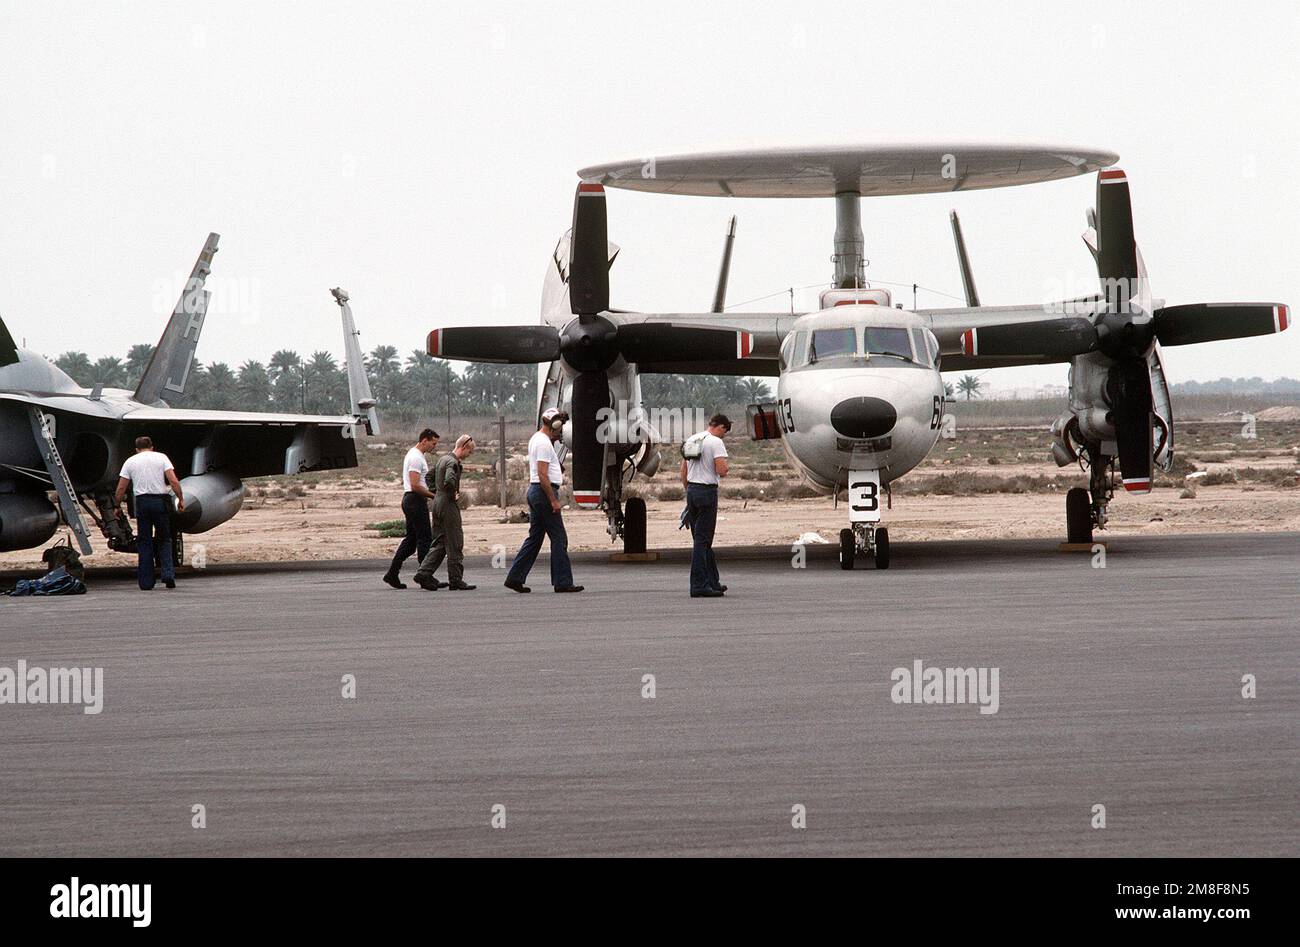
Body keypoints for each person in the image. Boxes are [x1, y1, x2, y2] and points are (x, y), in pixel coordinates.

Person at [504, 408, 583, 594]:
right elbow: (542, 474)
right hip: (543, 492)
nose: (561, 431)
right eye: (560, 426)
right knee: (559, 538)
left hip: (537, 492)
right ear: (554, 425)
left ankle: (515, 578)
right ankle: (562, 582)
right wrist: (553, 500)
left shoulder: (539, 440)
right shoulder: (543, 443)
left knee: (535, 538)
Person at [113, 436, 185, 591]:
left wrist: (116, 505)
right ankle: (168, 575)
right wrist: (180, 498)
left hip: (142, 503)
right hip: (160, 501)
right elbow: (173, 481)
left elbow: (121, 487)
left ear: (136, 449)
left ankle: (146, 582)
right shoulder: (162, 458)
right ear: (152, 447)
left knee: (144, 542)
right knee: (165, 539)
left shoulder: (130, 461)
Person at [414, 434, 477, 591]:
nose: (469, 455)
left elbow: (429, 476)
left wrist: (437, 492)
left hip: (437, 503)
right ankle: (455, 579)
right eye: (469, 452)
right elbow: (449, 480)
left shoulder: (443, 459)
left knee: (441, 541)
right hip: (448, 504)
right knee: (455, 541)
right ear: (464, 447)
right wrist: (452, 492)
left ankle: (424, 572)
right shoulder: (452, 462)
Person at [681, 413, 732, 598]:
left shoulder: (693, 439)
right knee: (702, 541)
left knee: (701, 540)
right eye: (725, 431)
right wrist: (725, 468)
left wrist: (689, 491)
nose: (724, 435)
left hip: (693, 491)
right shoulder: (715, 442)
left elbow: (683, 470)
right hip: (707, 492)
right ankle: (698, 585)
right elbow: (721, 469)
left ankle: (712, 581)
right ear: (720, 427)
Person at [383, 428, 438, 589]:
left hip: (411, 500)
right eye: (433, 443)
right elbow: (415, 485)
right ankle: (425, 575)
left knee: (411, 540)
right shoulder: (415, 458)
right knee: (425, 538)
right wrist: (432, 496)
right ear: (424, 440)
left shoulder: (416, 455)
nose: (434, 447)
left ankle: (392, 574)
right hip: (414, 500)